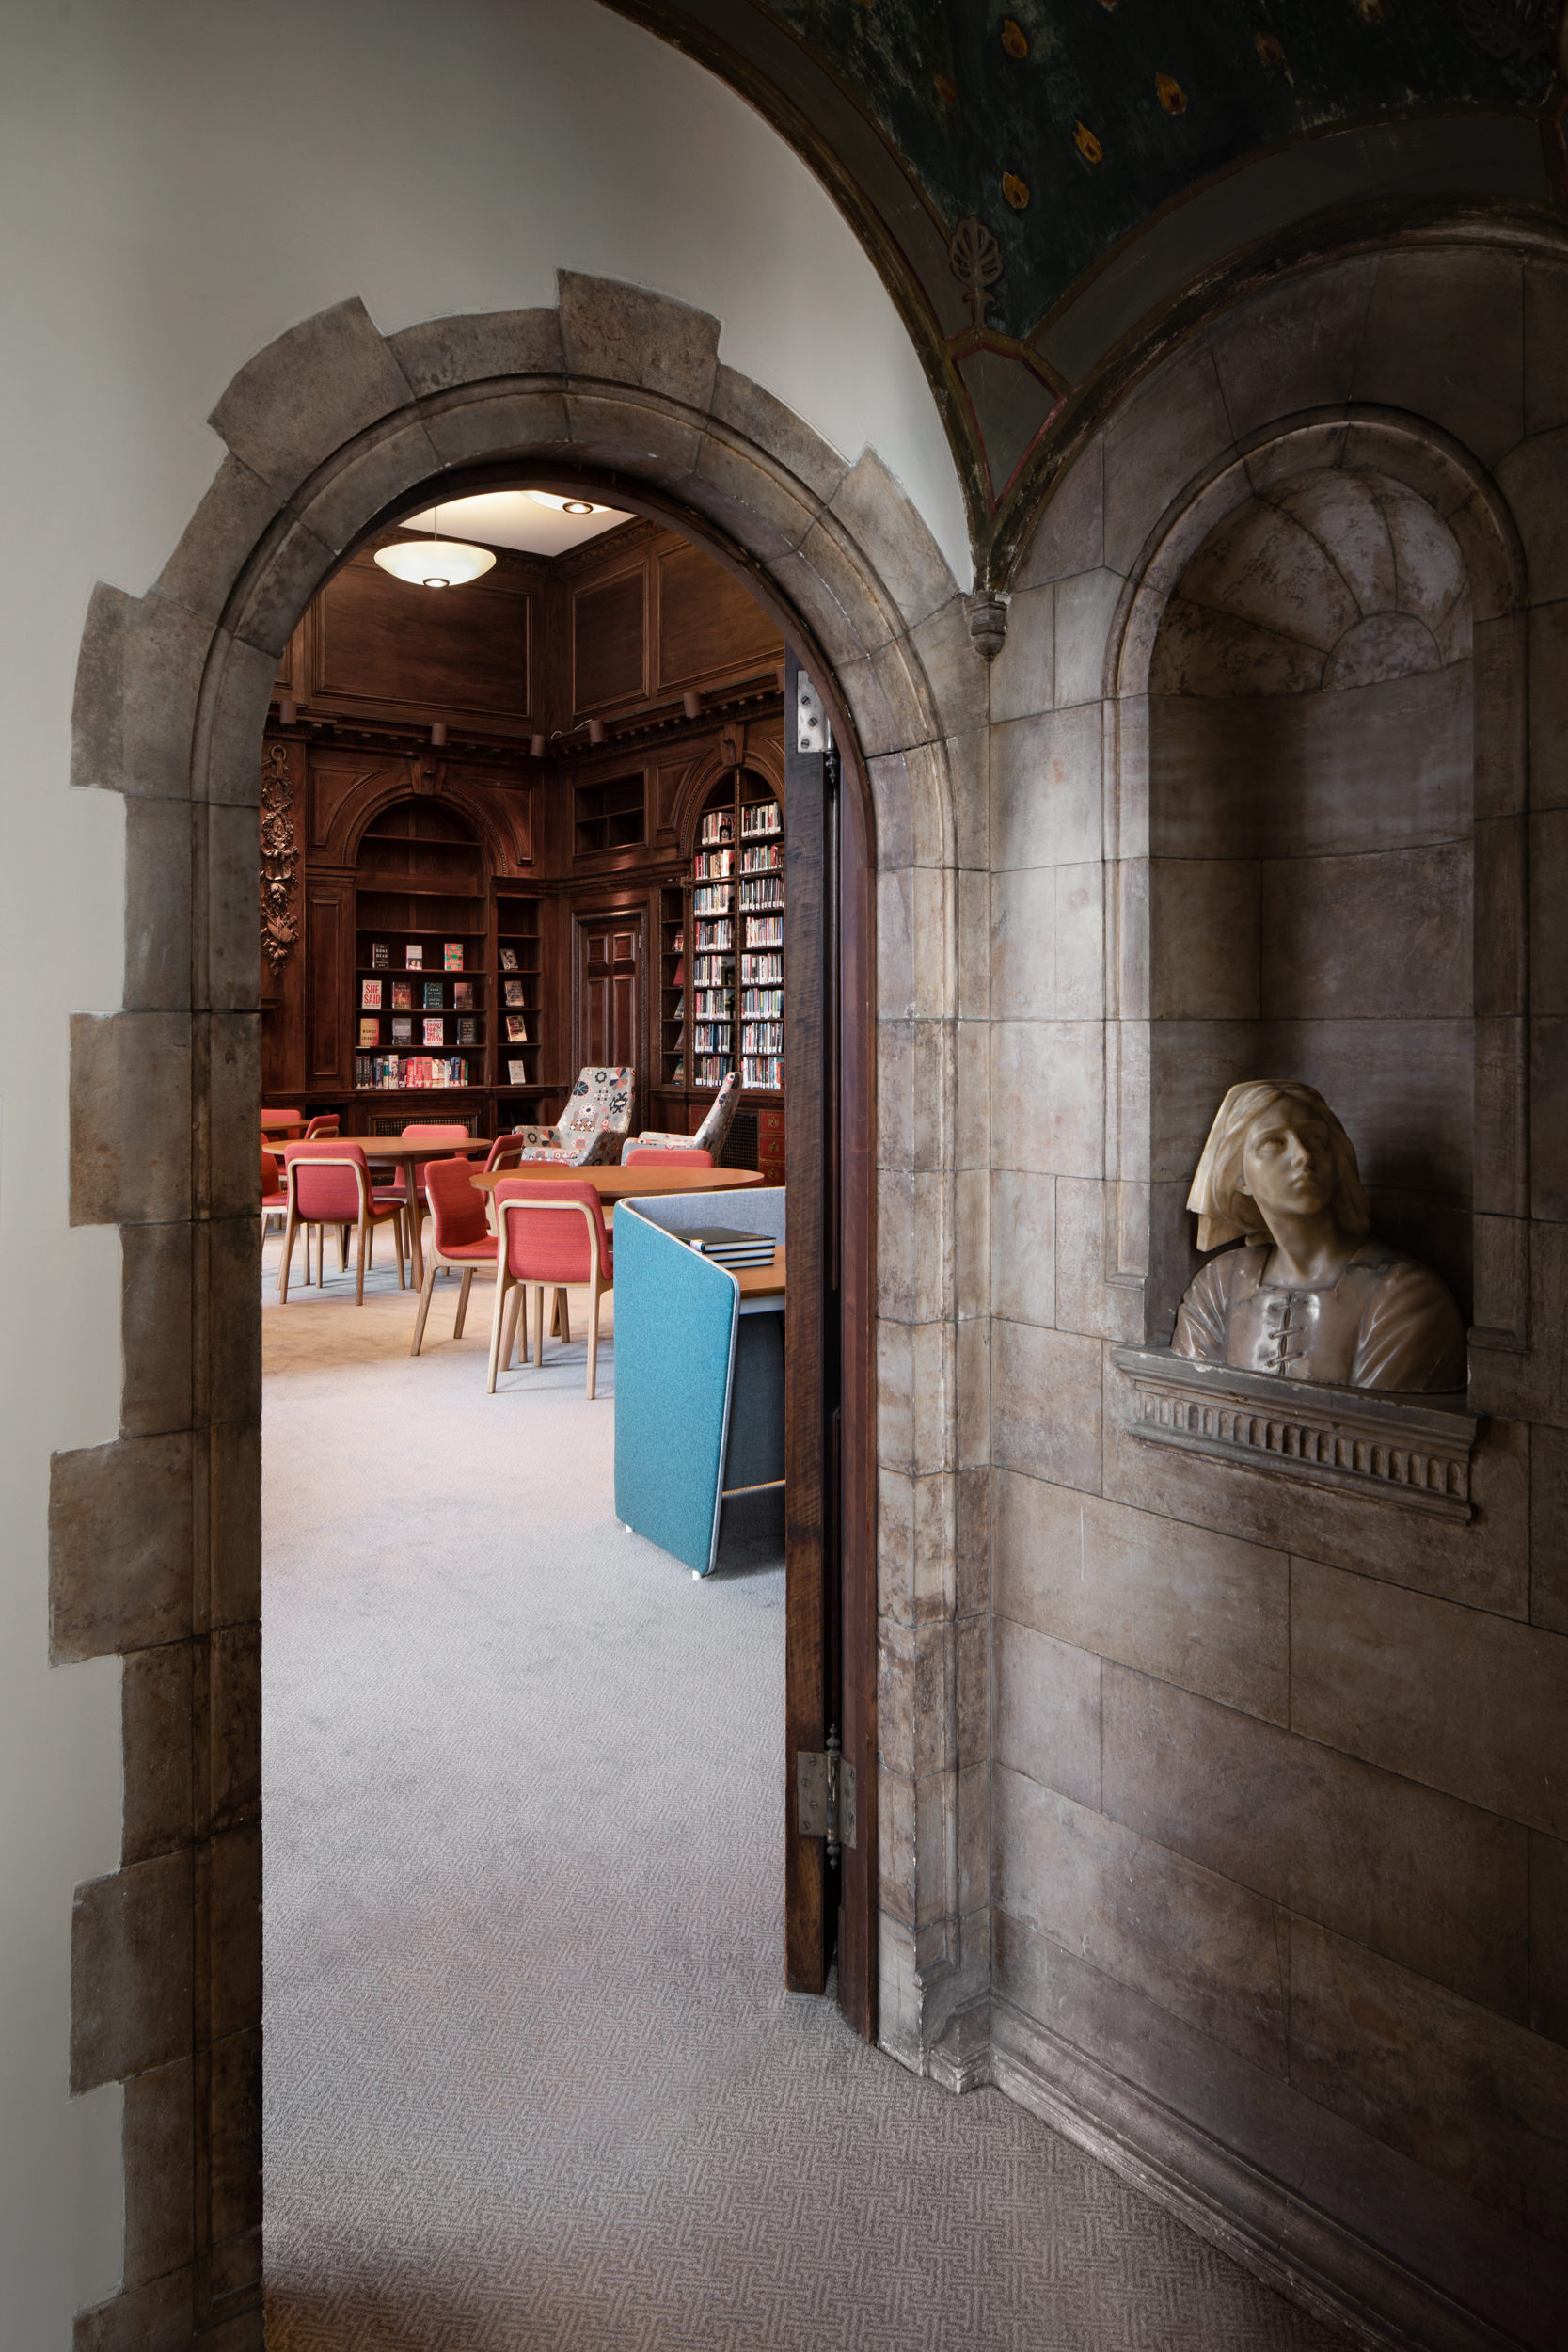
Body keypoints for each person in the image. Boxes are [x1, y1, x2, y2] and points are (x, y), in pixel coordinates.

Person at [1171, 1080, 1465, 1392]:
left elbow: (1372, 1428)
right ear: (1239, 1176)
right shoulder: (1218, 1286)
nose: (1303, 1157)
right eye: (1274, 1142)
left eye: (1314, 1139)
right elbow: (1191, 1399)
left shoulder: (1405, 1297)